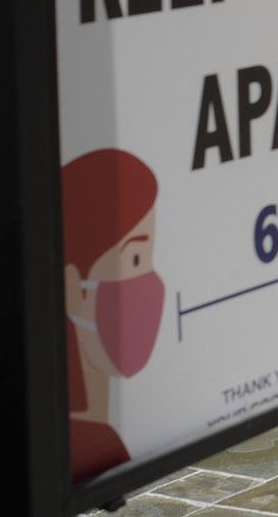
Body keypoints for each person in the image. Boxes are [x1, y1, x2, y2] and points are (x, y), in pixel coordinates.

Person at [63, 148, 164, 482]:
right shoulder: (88, 442)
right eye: (134, 259)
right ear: (74, 288)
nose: (151, 282)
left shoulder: (98, 439)